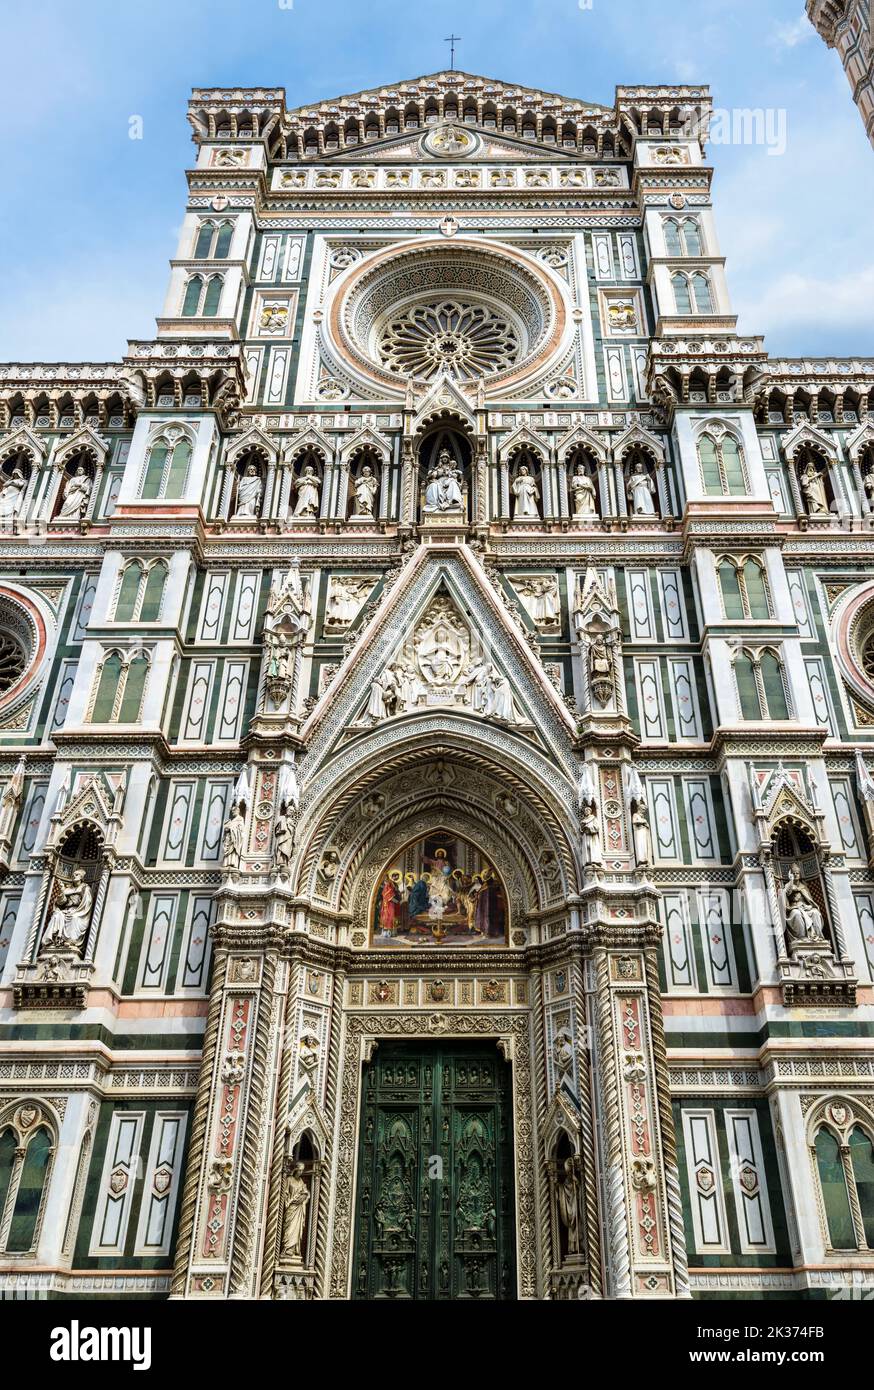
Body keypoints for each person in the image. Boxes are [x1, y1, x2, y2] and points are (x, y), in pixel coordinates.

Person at [40, 869, 93, 956]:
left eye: (76, 874)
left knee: (74, 917)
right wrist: (61, 891)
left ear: (81, 877)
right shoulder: (68, 888)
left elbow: (87, 903)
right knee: (57, 915)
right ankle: (53, 941)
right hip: (66, 910)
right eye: (73, 874)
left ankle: (70, 941)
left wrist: (76, 909)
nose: (73, 876)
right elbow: (61, 902)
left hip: (79, 911)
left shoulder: (85, 888)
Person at [281, 1162, 310, 1260]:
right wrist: (287, 1201)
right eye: (300, 1170)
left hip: (299, 1209)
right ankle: (286, 1249)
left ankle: (293, 1250)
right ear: (295, 1169)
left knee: (297, 1229)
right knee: (289, 1229)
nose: (301, 1172)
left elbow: (306, 1194)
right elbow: (284, 1193)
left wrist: (305, 1197)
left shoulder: (301, 1181)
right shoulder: (289, 1179)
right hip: (291, 1208)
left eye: (302, 1170)